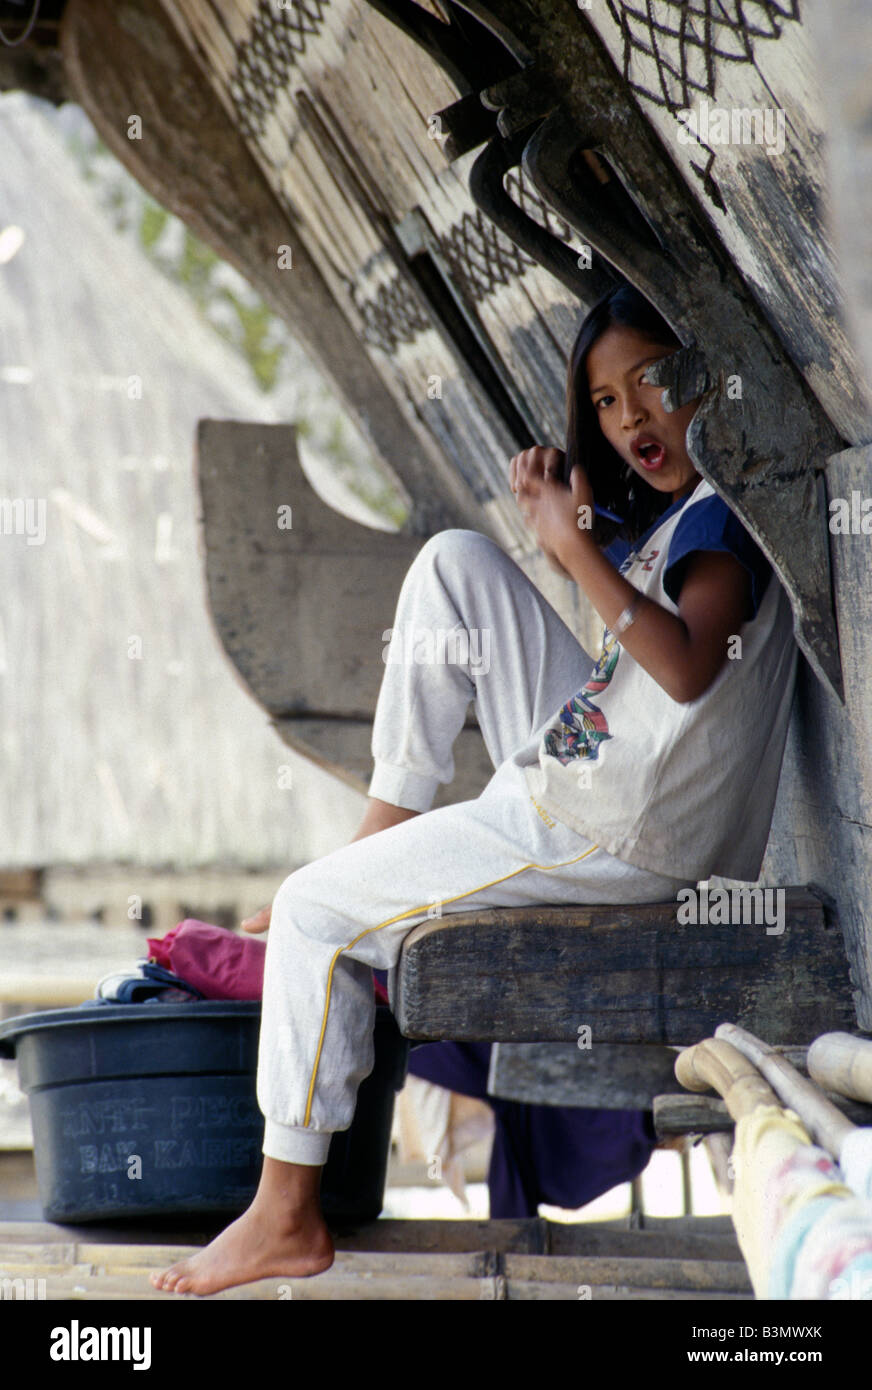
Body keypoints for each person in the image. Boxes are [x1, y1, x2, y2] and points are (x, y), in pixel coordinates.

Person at [150, 283, 797, 1294]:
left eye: (651, 383)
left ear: (704, 378)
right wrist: (578, 521)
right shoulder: (681, 517)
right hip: (600, 774)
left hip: (621, 830)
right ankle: (376, 844)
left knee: (313, 909)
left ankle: (284, 1213)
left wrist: (569, 543)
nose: (632, 417)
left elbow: (681, 669)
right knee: (453, 565)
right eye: (606, 401)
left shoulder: (722, 524)